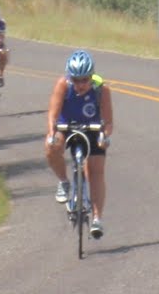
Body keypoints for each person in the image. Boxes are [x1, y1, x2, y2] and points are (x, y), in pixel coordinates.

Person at [45, 48, 114, 239]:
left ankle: (97, 219)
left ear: (91, 77)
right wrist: (52, 132)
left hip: (92, 128)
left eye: (85, 80)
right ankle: (64, 181)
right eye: (76, 80)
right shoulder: (63, 85)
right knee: (51, 147)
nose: (80, 85)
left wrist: (104, 136)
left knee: (96, 170)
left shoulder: (102, 89)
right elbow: (52, 112)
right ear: (70, 77)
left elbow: (108, 122)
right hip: (66, 126)